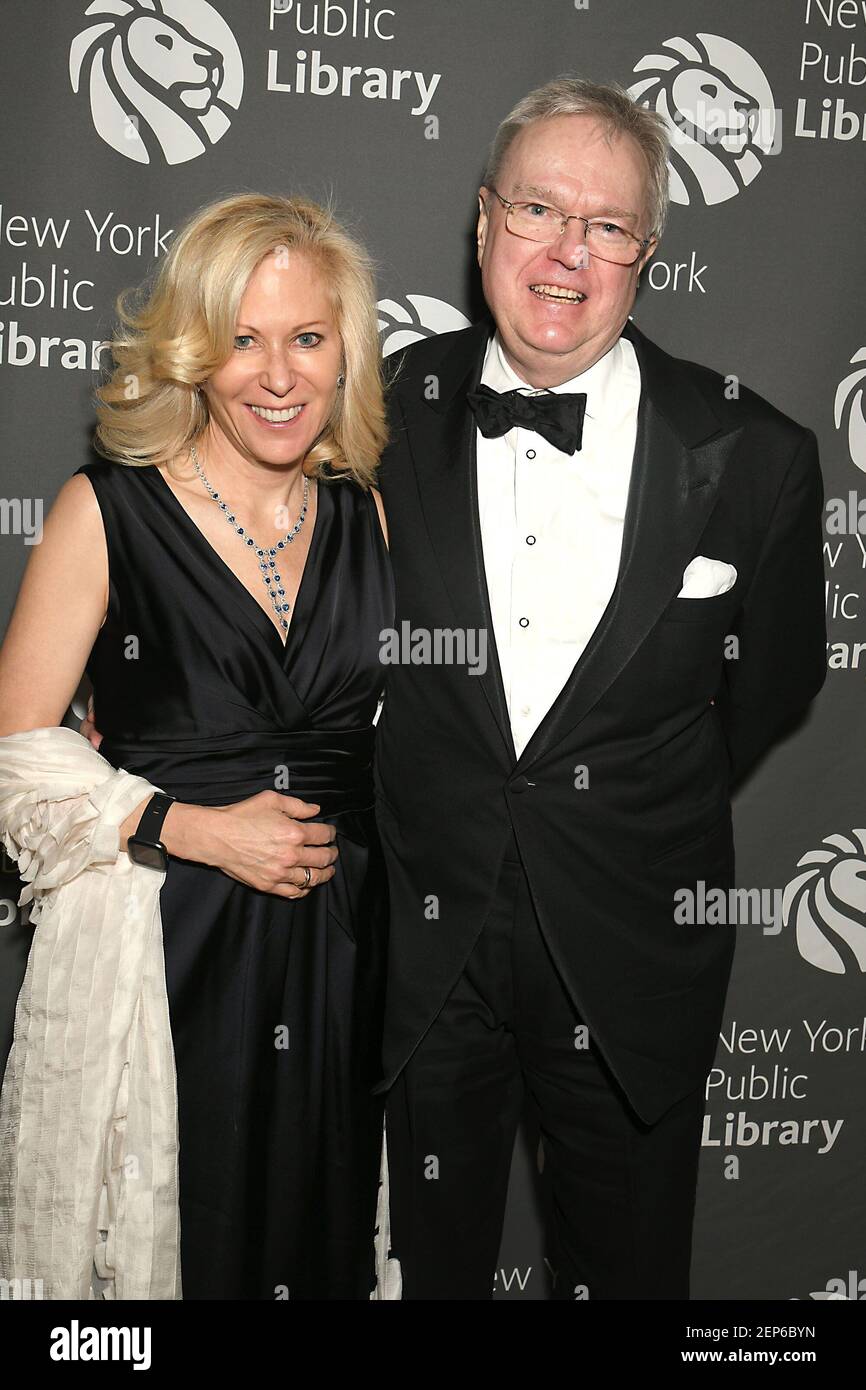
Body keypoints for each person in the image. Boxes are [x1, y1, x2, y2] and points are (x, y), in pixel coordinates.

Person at [373, 77, 827, 1299]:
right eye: (536, 208)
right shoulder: (379, 410)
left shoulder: (756, 455)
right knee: (410, 1275)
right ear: (482, 226)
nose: (567, 251)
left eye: (607, 225)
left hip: (633, 947)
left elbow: (770, 685)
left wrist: (617, 795)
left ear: (646, 256)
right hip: (420, 947)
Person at [0, 193, 394, 1299]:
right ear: (190, 353)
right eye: (242, 340)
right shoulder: (107, 510)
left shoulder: (371, 514)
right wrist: (192, 827)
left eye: (307, 339)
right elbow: (16, 749)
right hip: (169, 938)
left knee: (320, 1240)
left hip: (343, 947)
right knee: (179, 1244)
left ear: (344, 353)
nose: (278, 376)